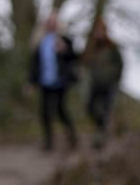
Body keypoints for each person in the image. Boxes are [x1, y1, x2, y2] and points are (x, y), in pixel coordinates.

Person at [25, 13, 79, 151]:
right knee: (45, 112)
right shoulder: (40, 42)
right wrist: (31, 82)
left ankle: (72, 137)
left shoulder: (65, 40)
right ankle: (48, 143)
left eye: (54, 22)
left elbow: (74, 58)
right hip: (45, 82)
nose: (51, 24)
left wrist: (64, 50)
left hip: (61, 82)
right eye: (49, 22)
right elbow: (35, 65)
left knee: (61, 110)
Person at [82, 19, 124, 147]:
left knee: (106, 110)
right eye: (97, 31)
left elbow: (120, 65)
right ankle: (101, 129)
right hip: (96, 84)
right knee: (90, 107)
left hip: (109, 85)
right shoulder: (92, 48)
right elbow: (86, 62)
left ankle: (100, 137)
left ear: (105, 31)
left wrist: (115, 79)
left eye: (101, 30)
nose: (99, 33)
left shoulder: (112, 47)